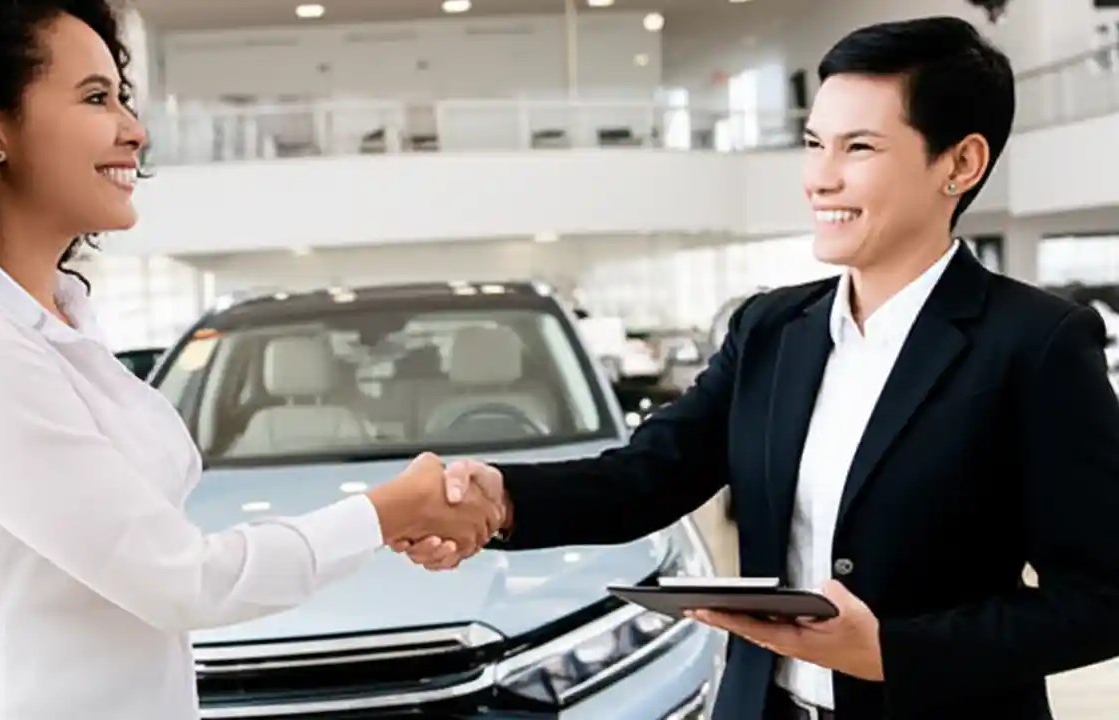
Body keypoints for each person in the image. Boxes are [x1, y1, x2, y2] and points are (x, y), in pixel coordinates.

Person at [397, 16, 1119, 720]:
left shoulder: (1037, 342)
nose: (820, 179)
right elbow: (643, 479)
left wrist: (892, 652)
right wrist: (500, 498)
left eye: (858, 148)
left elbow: (1100, 599)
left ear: (960, 163)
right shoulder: (772, 328)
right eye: (813, 144)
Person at [0, 2, 502, 718]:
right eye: (96, 98)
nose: (134, 129)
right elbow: (182, 580)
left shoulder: (51, 321)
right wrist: (387, 511)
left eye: (121, 97)